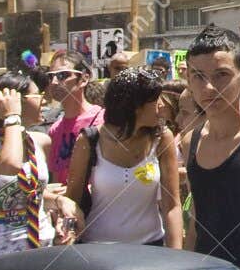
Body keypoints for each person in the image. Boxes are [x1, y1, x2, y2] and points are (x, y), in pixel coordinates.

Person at [182, 27, 240, 270]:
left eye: (221, 74)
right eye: (198, 76)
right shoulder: (190, 141)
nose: (209, 87)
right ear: (188, 79)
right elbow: (196, 220)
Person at [0, 73, 78, 262]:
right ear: (17, 102)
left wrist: (60, 202)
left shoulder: (40, 141)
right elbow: (11, 165)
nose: (45, 99)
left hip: (43, 251)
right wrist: (11, 118)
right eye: (37, 95)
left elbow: (32, 194)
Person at [68, 68, 184, 248]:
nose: (162, 105)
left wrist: (176, 256)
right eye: (155, 100)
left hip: (150, 247)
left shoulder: (162, 138)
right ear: (135, 106)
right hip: (96, 250)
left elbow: (172, 206)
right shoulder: (89, 140)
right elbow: (71, 201)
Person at [42, 49, 103, 186]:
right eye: (50, 76)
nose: (54, 82)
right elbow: (57, 180)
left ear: (84, 79)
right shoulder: (55, 130)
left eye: (63, 75)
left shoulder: (102, 120)